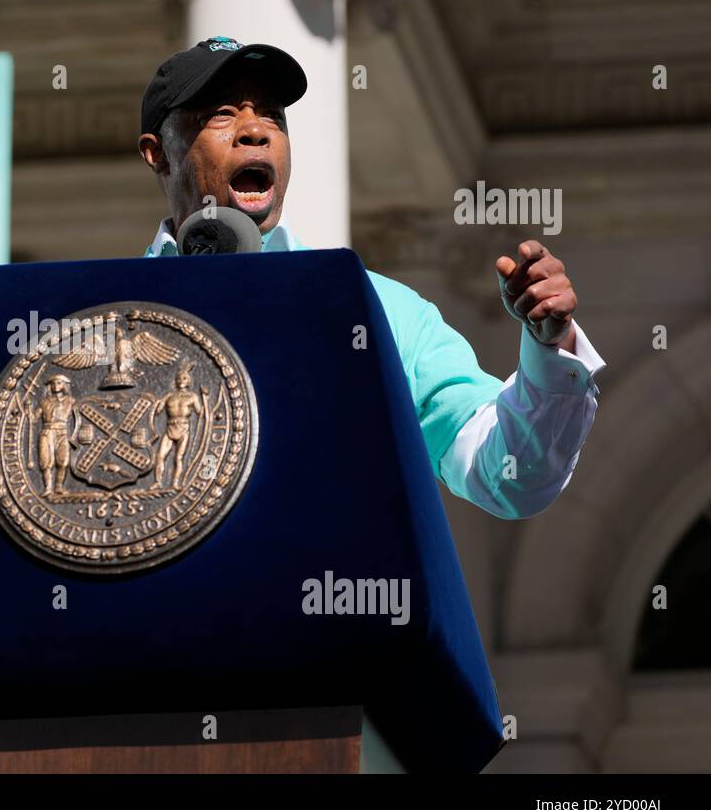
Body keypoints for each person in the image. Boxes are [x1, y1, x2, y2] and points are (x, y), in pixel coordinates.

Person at [137, 37, 605, 519]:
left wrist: (550, 351)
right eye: (221, 114)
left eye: (273, 115)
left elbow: (505, 475)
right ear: (158, 153)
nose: (255, 131)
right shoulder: (102, 313)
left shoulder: (379, 308)